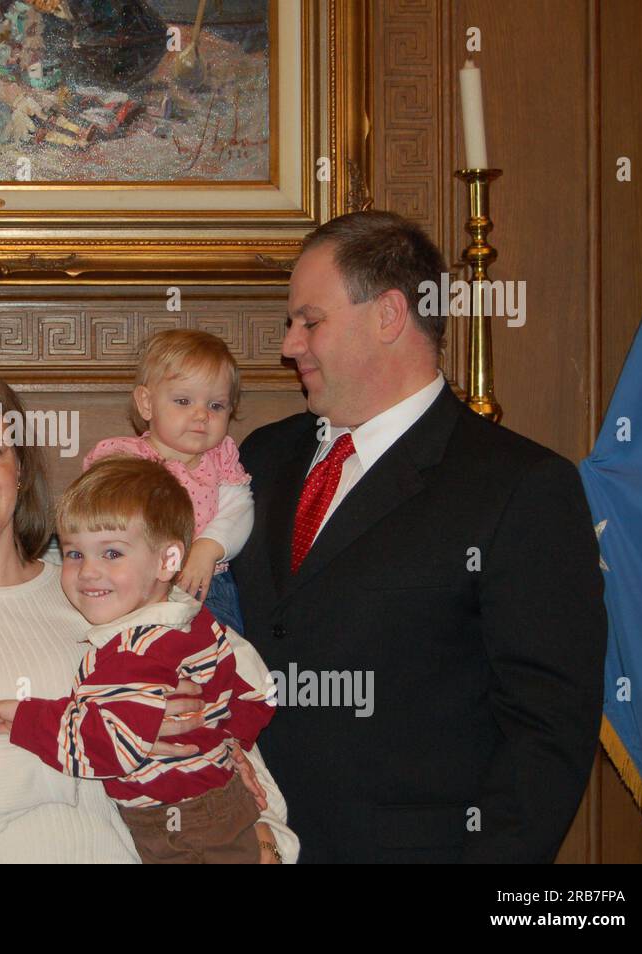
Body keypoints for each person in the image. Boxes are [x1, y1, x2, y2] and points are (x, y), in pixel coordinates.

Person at [231, 210, 607, 862]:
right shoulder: (261, 459)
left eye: (309, 321)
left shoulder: (519, 487)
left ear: (388, 315)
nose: (290, 344)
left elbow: (546, 733)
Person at [0, 363, 297, 862]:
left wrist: (266, 836)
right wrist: (115, 740)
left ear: (20, 467)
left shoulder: (100, 590)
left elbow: (227, 697)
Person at [0, 457, 281, 863]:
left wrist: (24, 719)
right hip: (220, 808)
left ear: (168, 561)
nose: (88, 572)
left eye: (112, 553)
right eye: (74, 554)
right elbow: (258, 691)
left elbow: (108, 747)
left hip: (181, 828)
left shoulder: (133, 648)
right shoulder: (192, 618)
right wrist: (228, 742)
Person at [85, 329, 252, 635]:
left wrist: (208, 548)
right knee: (137, 652)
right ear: (146, 403)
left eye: (216, 406)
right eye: (183, 401)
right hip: (137, 582)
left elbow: (239, 509)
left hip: (205, 584)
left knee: (223, 660)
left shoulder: (221, 458)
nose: (201, 415)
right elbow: (101, 520)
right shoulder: (126, 458)